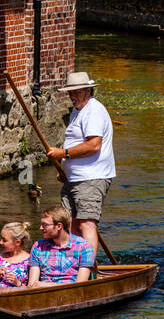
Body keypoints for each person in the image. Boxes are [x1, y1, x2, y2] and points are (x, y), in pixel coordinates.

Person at [46, 70, 116, 263]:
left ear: (87, 90)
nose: (72, 96)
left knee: (86, 223)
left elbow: (94, 145)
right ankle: (74, 265)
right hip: (74, 178)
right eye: (70, 92)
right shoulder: (78, 111)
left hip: (91, 177)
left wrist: (64, 154)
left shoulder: (93, 111)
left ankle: (87, 270)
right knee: (70, 224)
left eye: (76, 92)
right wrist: (65, 167)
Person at [28, 206, 95, 285]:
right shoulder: (38, 246)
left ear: (59, 226)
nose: (40, 228)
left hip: (71, 294)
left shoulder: (84, 247)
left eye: (45, 225)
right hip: (43, 294)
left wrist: (49, 285)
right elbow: (32, 284)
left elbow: (80, 286)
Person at [0, 221, 33, 291]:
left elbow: (32, 290)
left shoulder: (30, 260)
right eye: (1, 239)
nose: (0, 242)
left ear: (17, 242)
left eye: (4, 240)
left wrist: (18, 283)